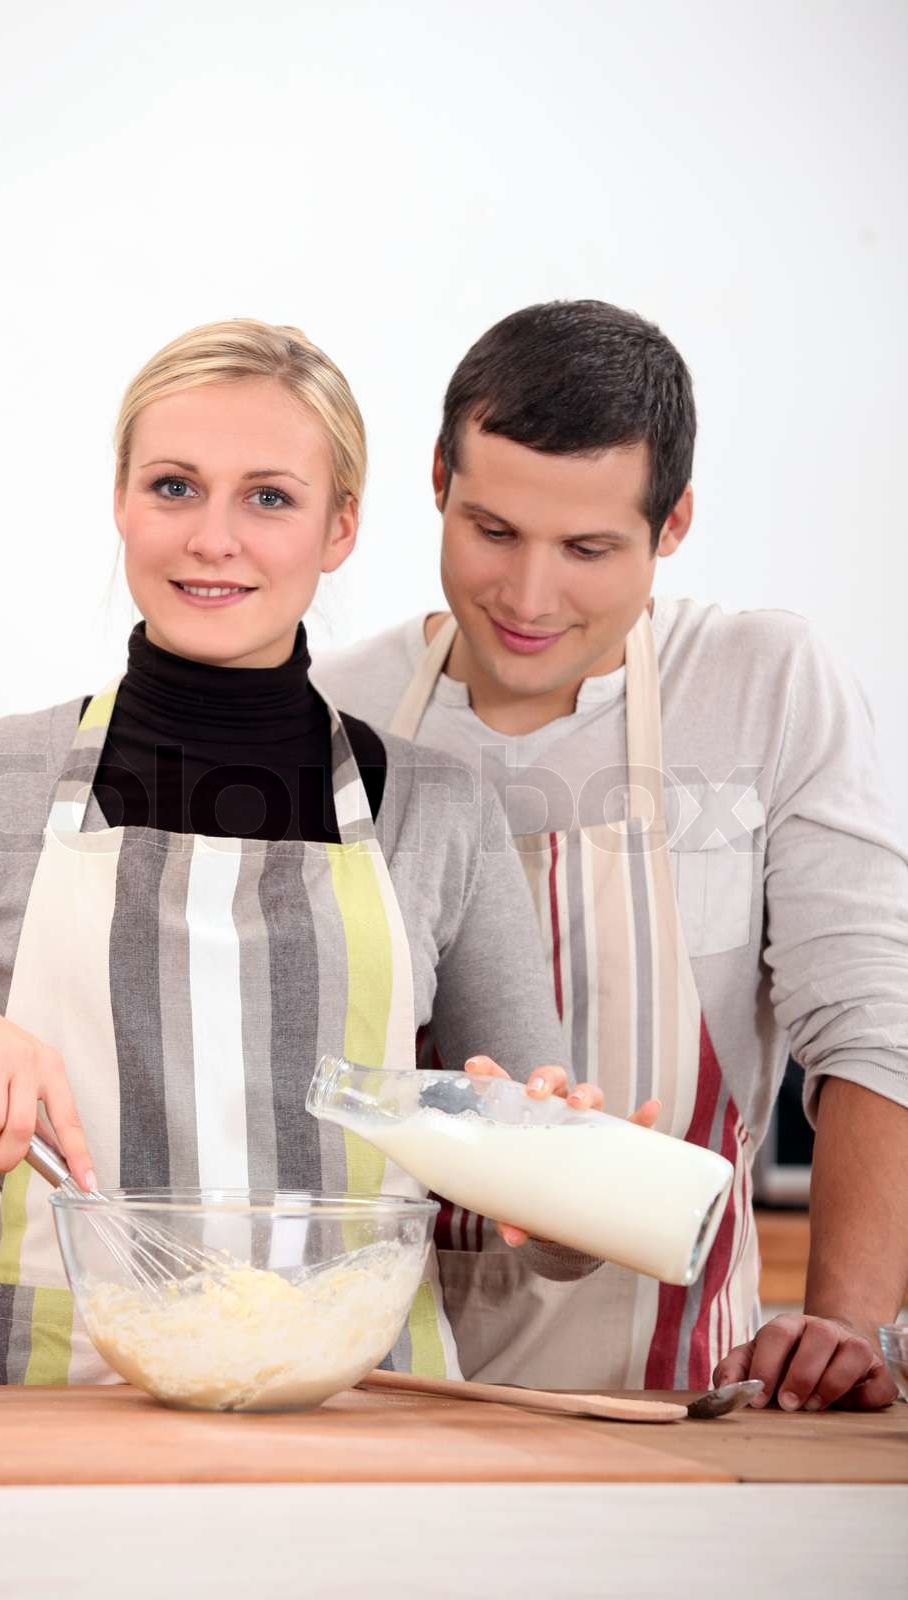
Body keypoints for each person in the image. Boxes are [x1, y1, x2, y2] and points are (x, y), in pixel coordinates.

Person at [0, 318, 654, 1387]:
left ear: (339, 527)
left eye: (268, 496)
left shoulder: (438, 812)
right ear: (121, 502)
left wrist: (570, 1181)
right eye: (174, 486)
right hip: (72, 1421)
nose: (212, 538)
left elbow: (555, 1240)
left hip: (370, 1421)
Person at [315, 300, 908, 1410]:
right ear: (436, 478)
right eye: (491, 531)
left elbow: (871, 1023)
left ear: (670, 521)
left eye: (587, 548)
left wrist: (839, 1321)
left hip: (677, 1389)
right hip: (366, 1391)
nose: (527, 598)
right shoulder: (333, 707)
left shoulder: (757, 682)